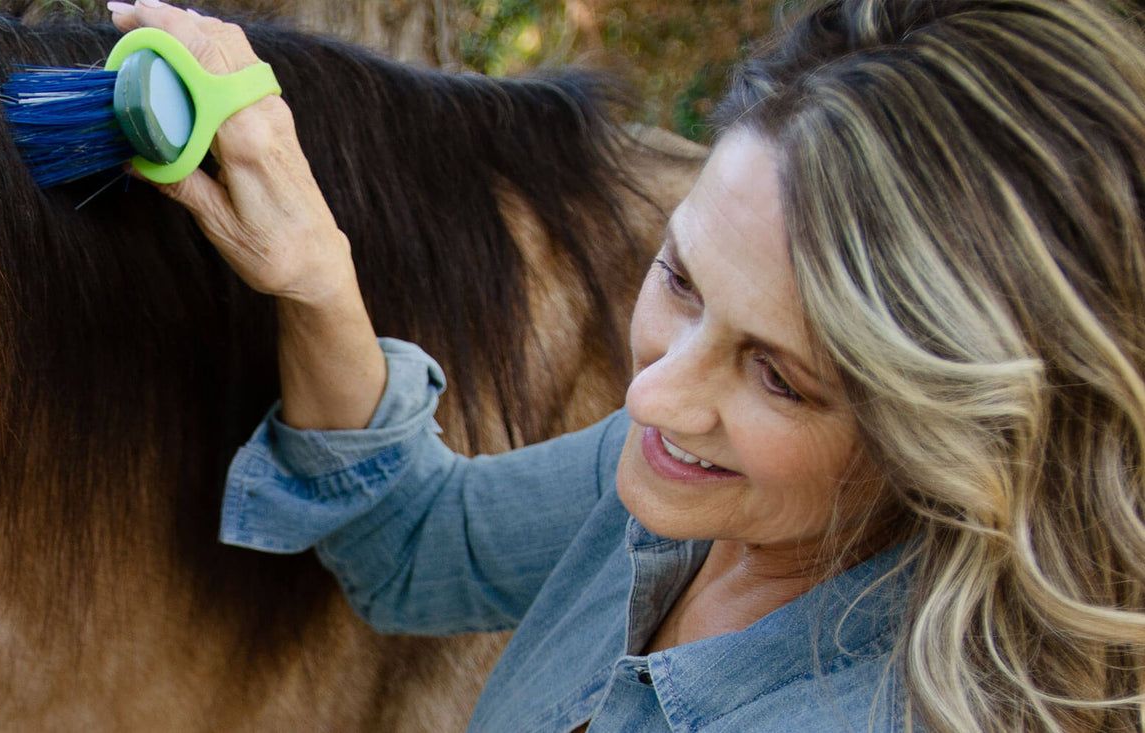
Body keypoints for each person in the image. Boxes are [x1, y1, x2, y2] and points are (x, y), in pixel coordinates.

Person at [102, 0, 1145, 729]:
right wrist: (317, 275)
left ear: (955, 434)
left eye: (778, 377)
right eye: (681, 280)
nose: (654, 391)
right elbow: (417, 546)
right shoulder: (685, 492)